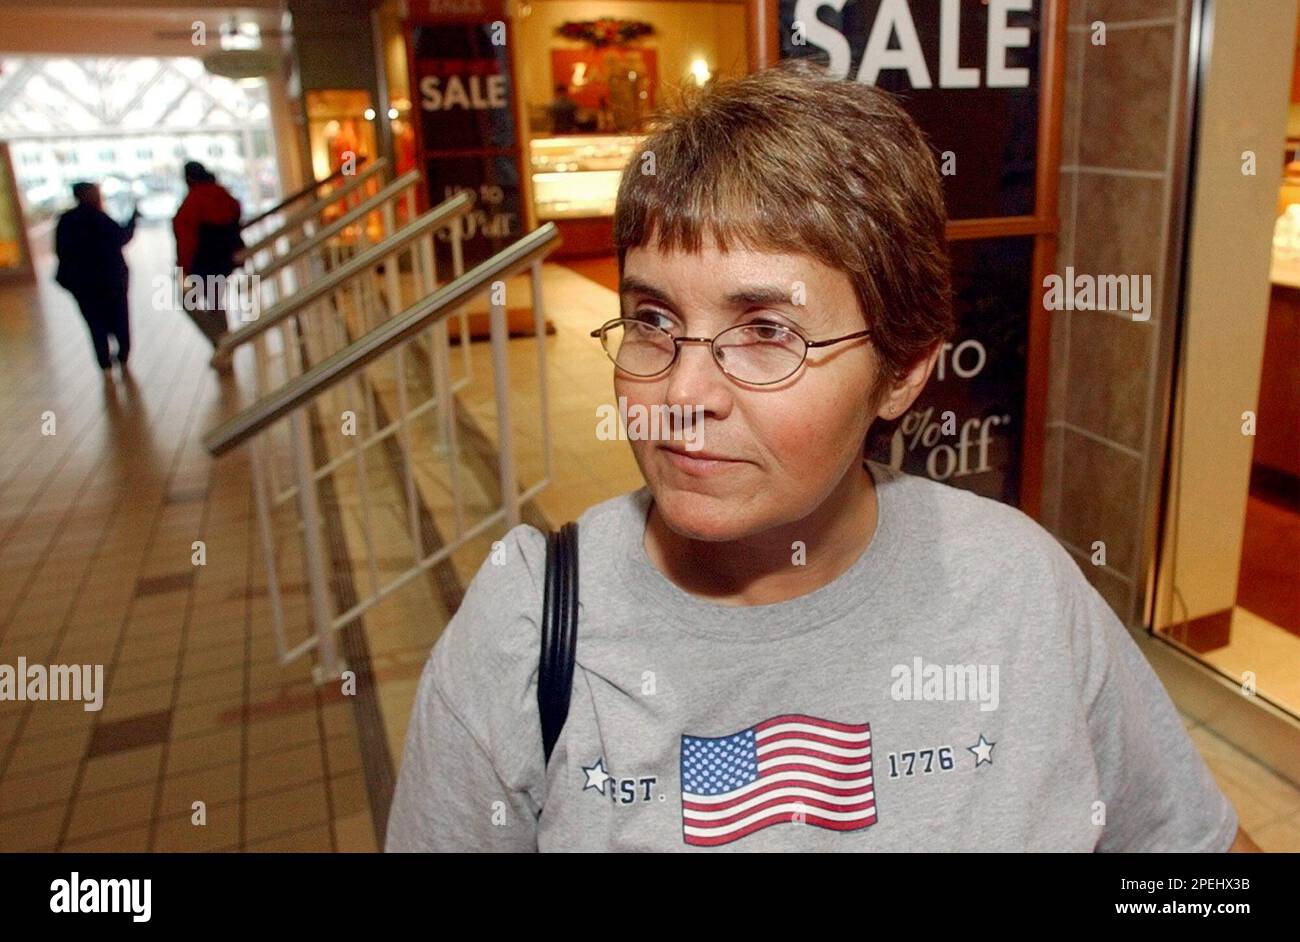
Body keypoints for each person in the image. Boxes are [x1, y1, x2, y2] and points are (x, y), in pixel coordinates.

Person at [385, 62, 1258, 852]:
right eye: (653, 320)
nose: (683, 394)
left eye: (767, 332)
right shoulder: (529, 631)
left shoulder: (1019, 587)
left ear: (904, 370)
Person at [54, 182, 138, 374]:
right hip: (110, 281)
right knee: (120, 319)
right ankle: (122, 355)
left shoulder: (67, 220)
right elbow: (122, 237)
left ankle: (104, 361)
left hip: (82, 284)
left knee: (94, 323)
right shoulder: (98, 218)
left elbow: (60, 251)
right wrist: (132, 221)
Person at [173, 160, 242, 372]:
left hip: (201, 263)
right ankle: (223, 348)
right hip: (223, 261)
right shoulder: (222, 194)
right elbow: (236, 215)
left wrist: (183, 268)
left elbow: (187, 238)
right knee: (215, 303)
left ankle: (222, 340)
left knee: (188, 300)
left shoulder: (194, 200)